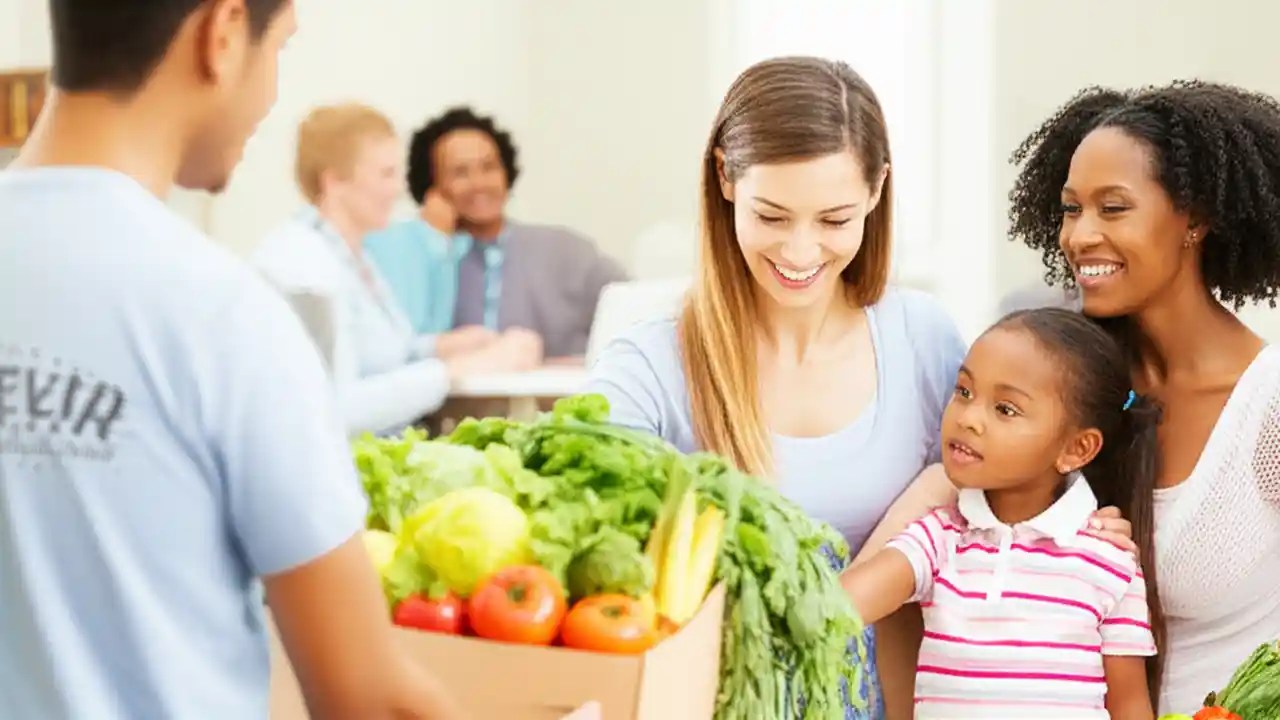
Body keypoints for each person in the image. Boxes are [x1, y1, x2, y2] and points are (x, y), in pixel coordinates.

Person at [584, 56, 1136, 717]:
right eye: (773, 215)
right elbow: (602, 573)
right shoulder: (645, 368)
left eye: (834, 220)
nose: (800, 251)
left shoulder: (922, 339)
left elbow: (993, 493)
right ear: (725, 177)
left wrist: (1080, 519)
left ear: (877, 191)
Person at [0, 2, 463, 718]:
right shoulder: (222, 315)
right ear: (220, 35)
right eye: (278, 48)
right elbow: (371, 702)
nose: (272, 95)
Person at [1007, 80, 1280, 714]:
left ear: (1195, 220)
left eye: (1114, 207)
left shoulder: (1266, 407)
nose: (1079, 236)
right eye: (1072, 209)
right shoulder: (1066, 380)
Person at [845, 308, 1160, 718]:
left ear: (1076, 450)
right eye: (963, 391)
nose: (968, 418)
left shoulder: (1111, 563)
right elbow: (837, 607)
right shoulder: (937, 539)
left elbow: (1131, 706)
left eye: (1005, 409)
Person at [254, 103, 543, 437]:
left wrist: (446, 346)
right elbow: (334, 409)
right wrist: (451, 371)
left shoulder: (353, 255)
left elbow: (383, 354)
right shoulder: (302, 266)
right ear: (334, 182)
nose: (398, 189)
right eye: (386, 174)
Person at [368, 106, 629, 360]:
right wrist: (435, 241)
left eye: (489, 167)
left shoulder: (567, 250)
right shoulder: (420, 257)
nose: (479, 183)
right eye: (460, 172)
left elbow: (635, 309)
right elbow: (405, 345)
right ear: (432, 187)